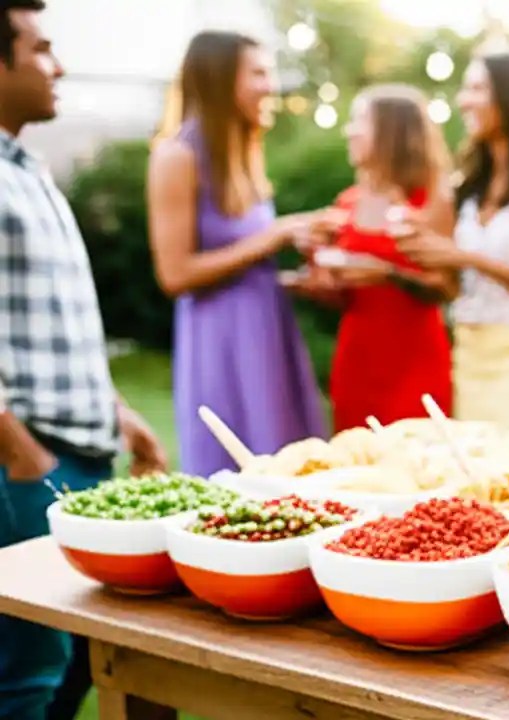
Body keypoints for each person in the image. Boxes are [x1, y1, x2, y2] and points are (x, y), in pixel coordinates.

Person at [0, 2, 166, 718]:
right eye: (40, 50)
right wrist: (19, 452)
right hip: (29, 461)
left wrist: (121, 414)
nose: (58, 65)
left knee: (79, 665)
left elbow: (46, 320)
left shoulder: (25, 166)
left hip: (78, 451)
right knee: (28, 672)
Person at [148, 31, 327, 475]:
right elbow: (174, 274)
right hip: (222, 343)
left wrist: (294, 276)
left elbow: (247, 259)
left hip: (269, 332)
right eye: (259, 73)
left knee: (291, 473)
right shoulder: (177, 156)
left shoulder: (244, 153)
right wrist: (276, 235)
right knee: (238, 474)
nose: (271, 86)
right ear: (219, 79)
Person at [397, 45, 509, 431]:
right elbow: (455, 288)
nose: (464, 100)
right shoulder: (471, 182)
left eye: (478, 89)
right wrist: (418, 255)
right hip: (470, 352)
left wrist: (464, 257)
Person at [290, 84, 456, 432]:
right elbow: (342, 293)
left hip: (415, 358)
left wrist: (390, 274)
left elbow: (448, 288)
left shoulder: (431, 201)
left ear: (392, 132)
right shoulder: (347, 203)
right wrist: (316, 282)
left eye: (359, 121)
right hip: (358, 357)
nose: (349, 131)